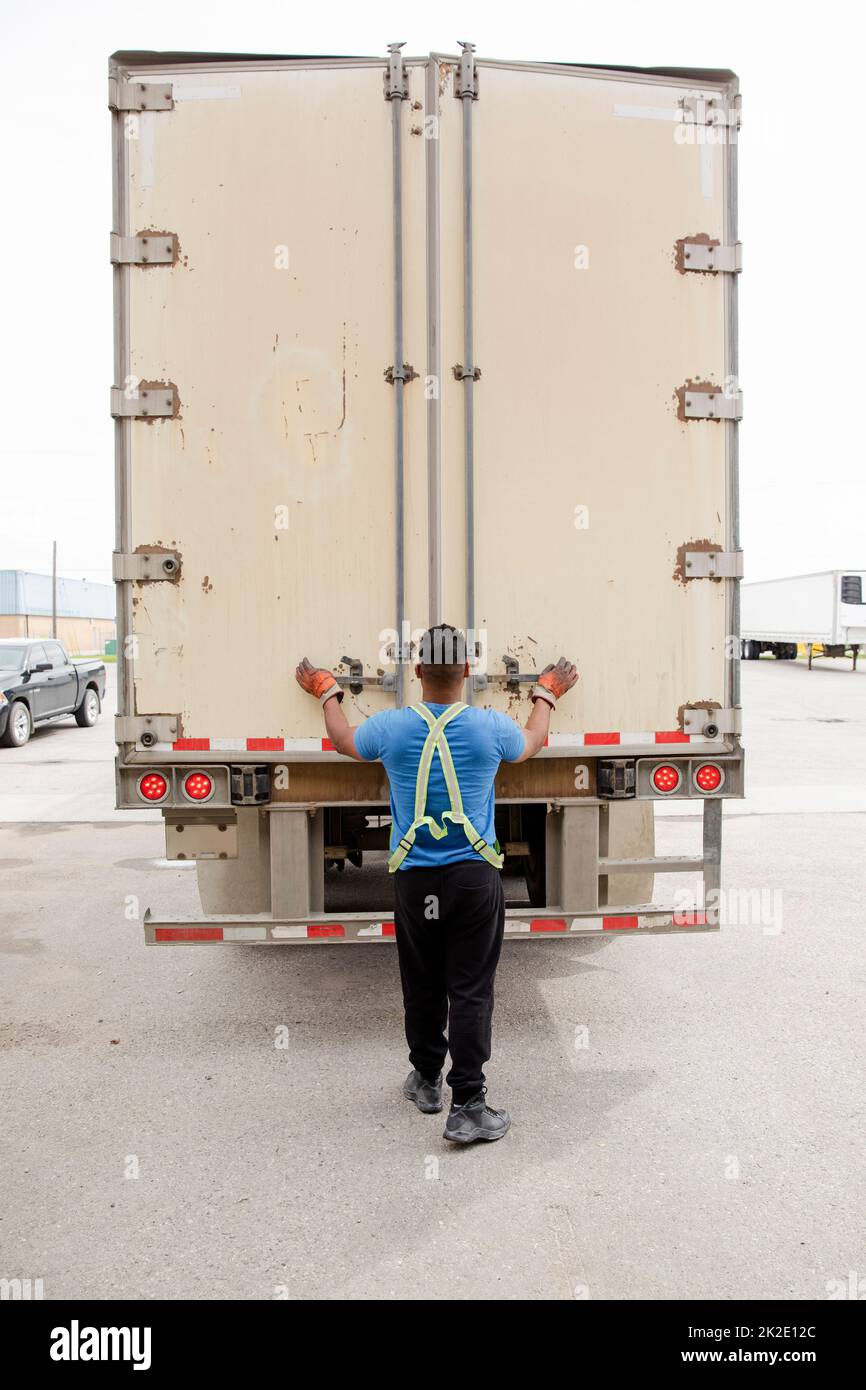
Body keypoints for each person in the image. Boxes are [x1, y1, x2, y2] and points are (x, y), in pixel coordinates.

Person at [295, 625, 577, 1144]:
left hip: (414, 880)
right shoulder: (491, 727)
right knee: (469, 988)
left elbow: (343, 741)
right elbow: (532, 744)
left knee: (422, 981)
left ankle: (426, 1079)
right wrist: (546, 693)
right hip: (473, 879)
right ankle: (468, 1103)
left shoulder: (393, 728)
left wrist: (327, 691)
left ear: (418, 672)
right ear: (468, 672)